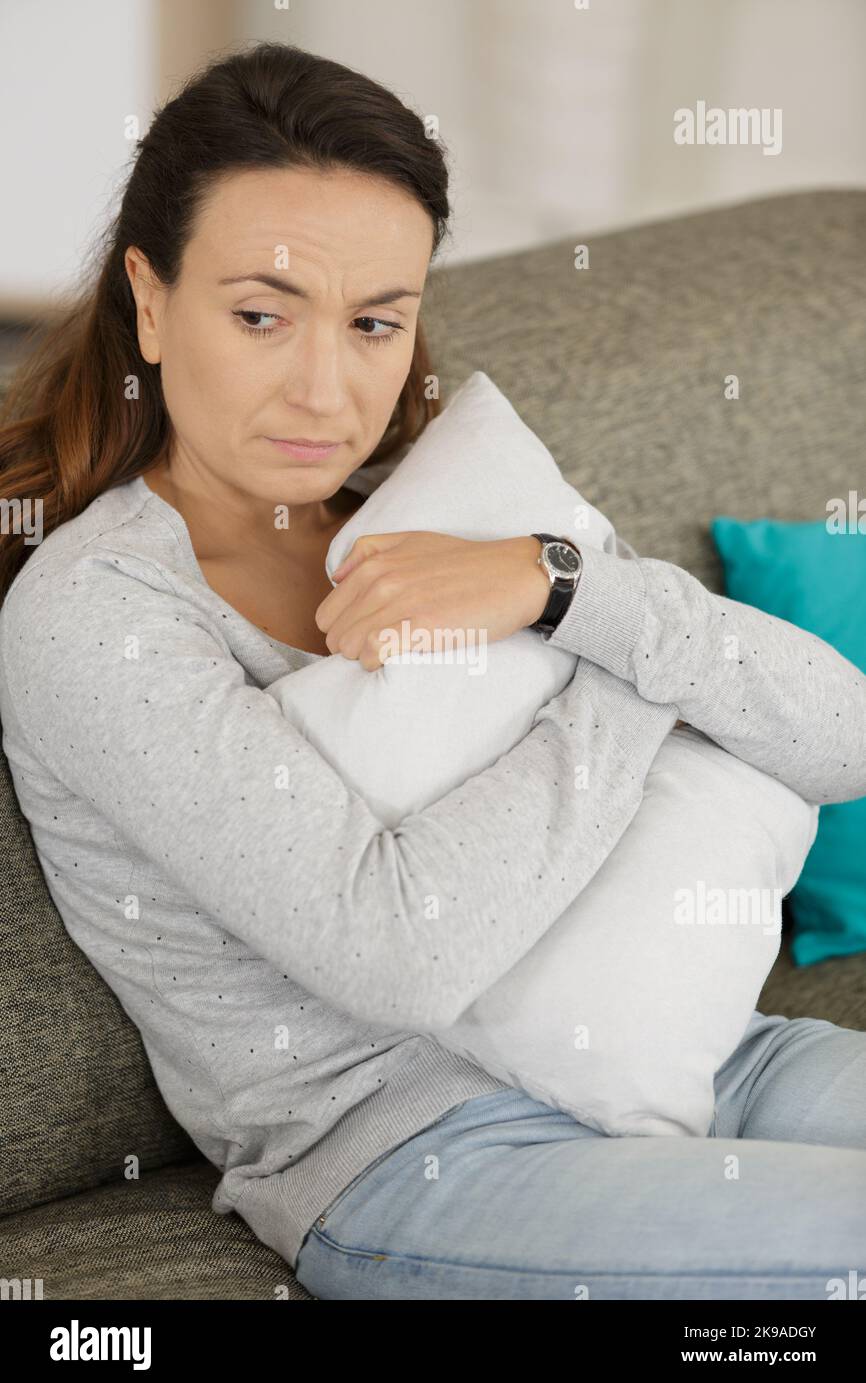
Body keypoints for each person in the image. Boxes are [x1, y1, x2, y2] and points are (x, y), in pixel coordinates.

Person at [0, 41, 864, 1302]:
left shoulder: (454, 506)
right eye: (259, 314)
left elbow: (840, 743)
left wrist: (565, 584)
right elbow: (394, 953)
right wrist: (605, 651)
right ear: (148, 298)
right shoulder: (95, 614)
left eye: (373, 325)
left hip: (683, 1041)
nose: (325, 388)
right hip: (414, 1154)